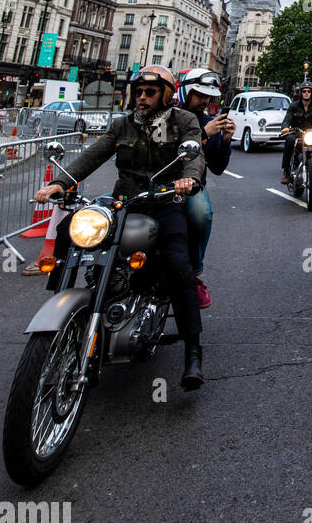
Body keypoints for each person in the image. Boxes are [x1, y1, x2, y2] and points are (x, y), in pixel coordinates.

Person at [33, 65, 207, 390]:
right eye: (138, 91)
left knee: (177, 264)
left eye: (150, 92)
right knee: (71, 228)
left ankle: (193, 352)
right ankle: (60, 306)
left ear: (166, 95)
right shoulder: (122, 124)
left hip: (164, 202)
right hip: (124, 202)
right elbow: (93, 155)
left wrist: (189, 180)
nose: (142, 97)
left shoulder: (183, 121)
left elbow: (193, 156)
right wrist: (60, 183)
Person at [176, 68, 234, 309]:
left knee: (201, 213)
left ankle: (194, 272)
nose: (205, 101)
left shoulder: (208, 123)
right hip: (157, 182)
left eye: (208, 97)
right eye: (199, 95)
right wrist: (203, 134)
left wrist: (225, 140)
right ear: (186, 92)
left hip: (191, 186)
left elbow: (218, 167)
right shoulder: (168, 115)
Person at [280, 81, 312, 185]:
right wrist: (285, 128)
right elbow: (287, 120)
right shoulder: (293, 106)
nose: (306, 93)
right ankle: (286, 171)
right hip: (298, 133)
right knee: (289, 140)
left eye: (309, 91)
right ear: (301, 93)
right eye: (304, 91)